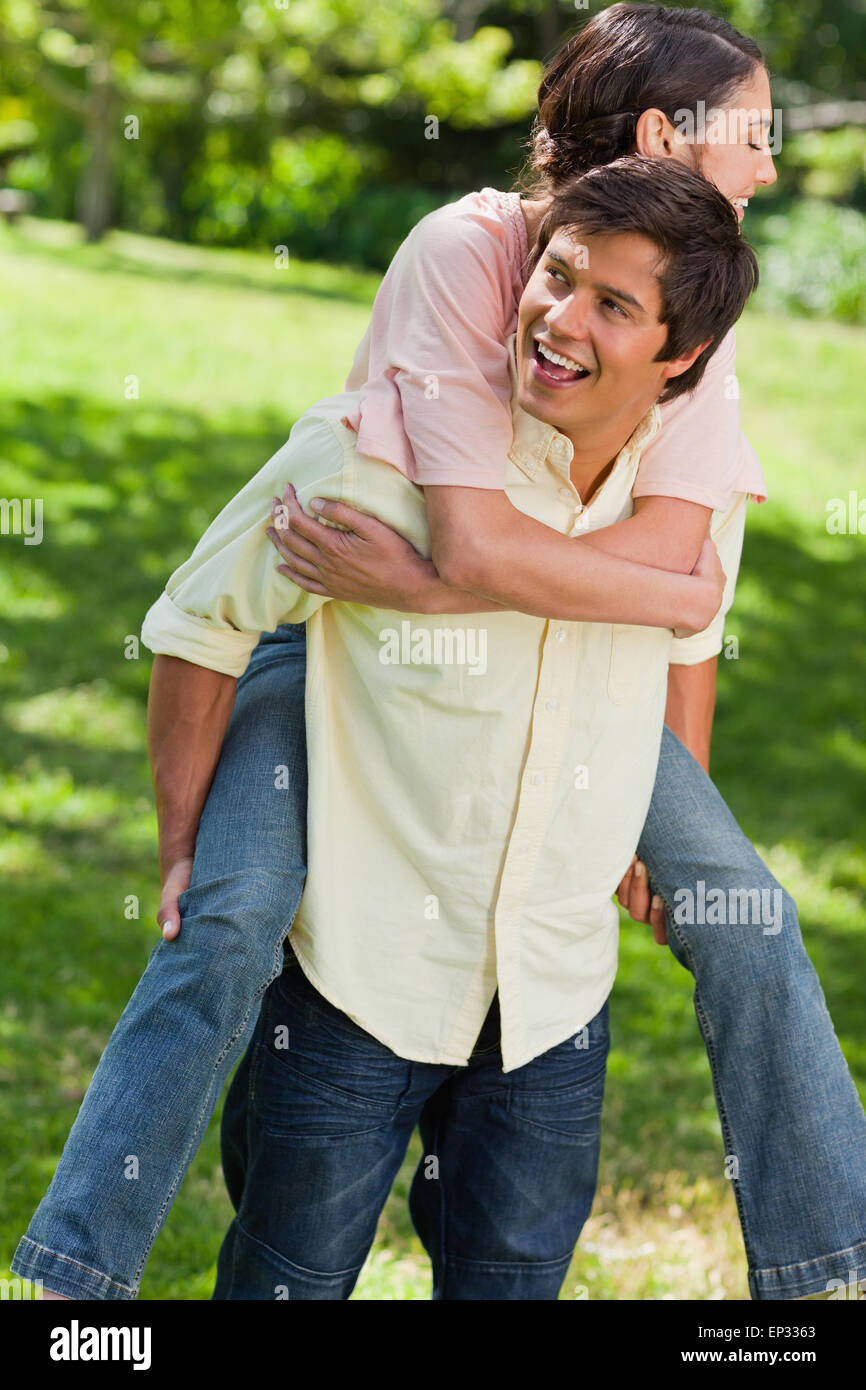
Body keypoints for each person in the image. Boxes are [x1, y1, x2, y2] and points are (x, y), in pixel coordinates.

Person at [13, 4, 865, 1302]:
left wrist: (655, 785)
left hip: (561, 652)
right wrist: (420, 586)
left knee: (748, 921)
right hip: (342, 626)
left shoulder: (707, 326)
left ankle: (822, 1269)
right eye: (752, 140)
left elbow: (678, 593)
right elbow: (465, 540)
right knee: (231, 913)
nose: (764, 168)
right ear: (659, 136)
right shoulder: (463, 252)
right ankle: (78, 1278)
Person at [149, 156, 758, 1299]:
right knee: (285, 1277)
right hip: (355, 980)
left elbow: (688, 644)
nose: (556, 319)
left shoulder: (681, 515)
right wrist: (185, 845)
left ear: (678, 360)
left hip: (552, 1002)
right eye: (555, 275)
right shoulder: (374, 458)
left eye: (611, 306)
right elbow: (197, 618)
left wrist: (656, 833)